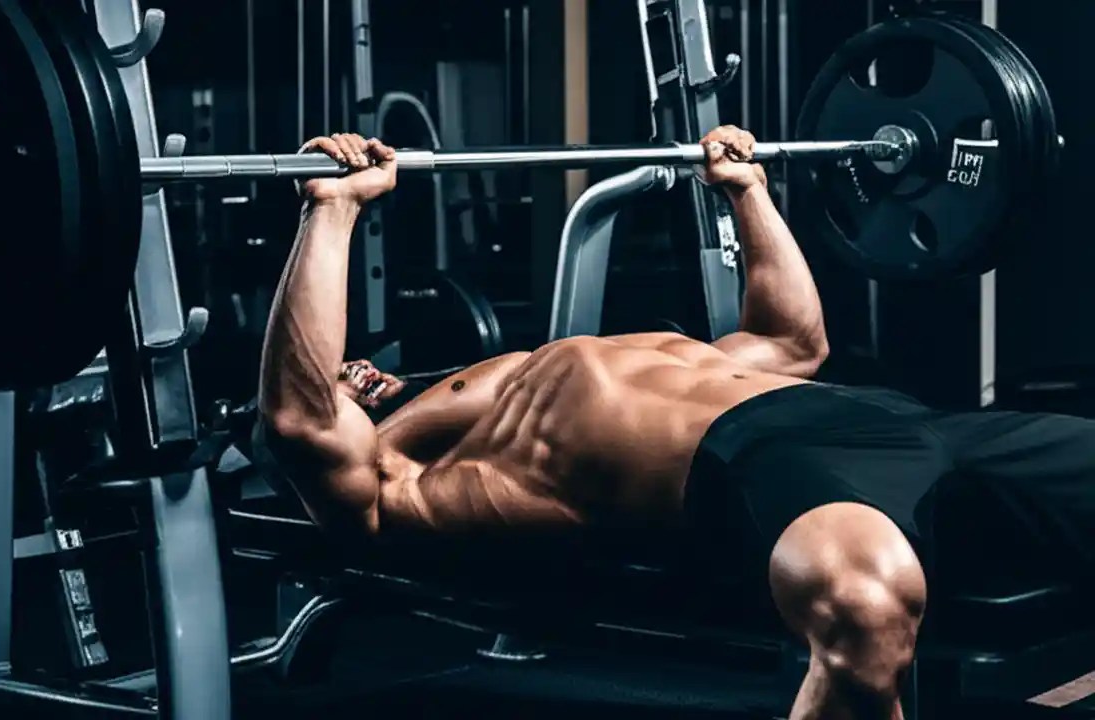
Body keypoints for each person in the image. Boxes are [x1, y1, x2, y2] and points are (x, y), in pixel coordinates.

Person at [257, 128, 1095, 720]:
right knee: (864, 614)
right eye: (342, 376)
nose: (355, 366)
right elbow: (298, 415)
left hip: (888, 416)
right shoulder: (401, 477)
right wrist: (332, 212)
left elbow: (791, 342)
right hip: (764, 456)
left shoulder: (525, 370)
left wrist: (748, 194)